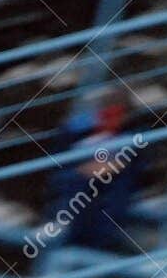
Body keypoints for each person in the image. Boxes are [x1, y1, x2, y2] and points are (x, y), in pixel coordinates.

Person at [42, 91, 147, 253]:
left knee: (108, 192)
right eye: (106, 115)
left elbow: (121, 164)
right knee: (71, 181)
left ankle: (92, 244)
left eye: (116, 115)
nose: (110, 120)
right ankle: (65, 231)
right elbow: (61, 159)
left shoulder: (132, 135)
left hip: (111, 183)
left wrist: (95, 169)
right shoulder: (78, 130)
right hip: (78, 179)